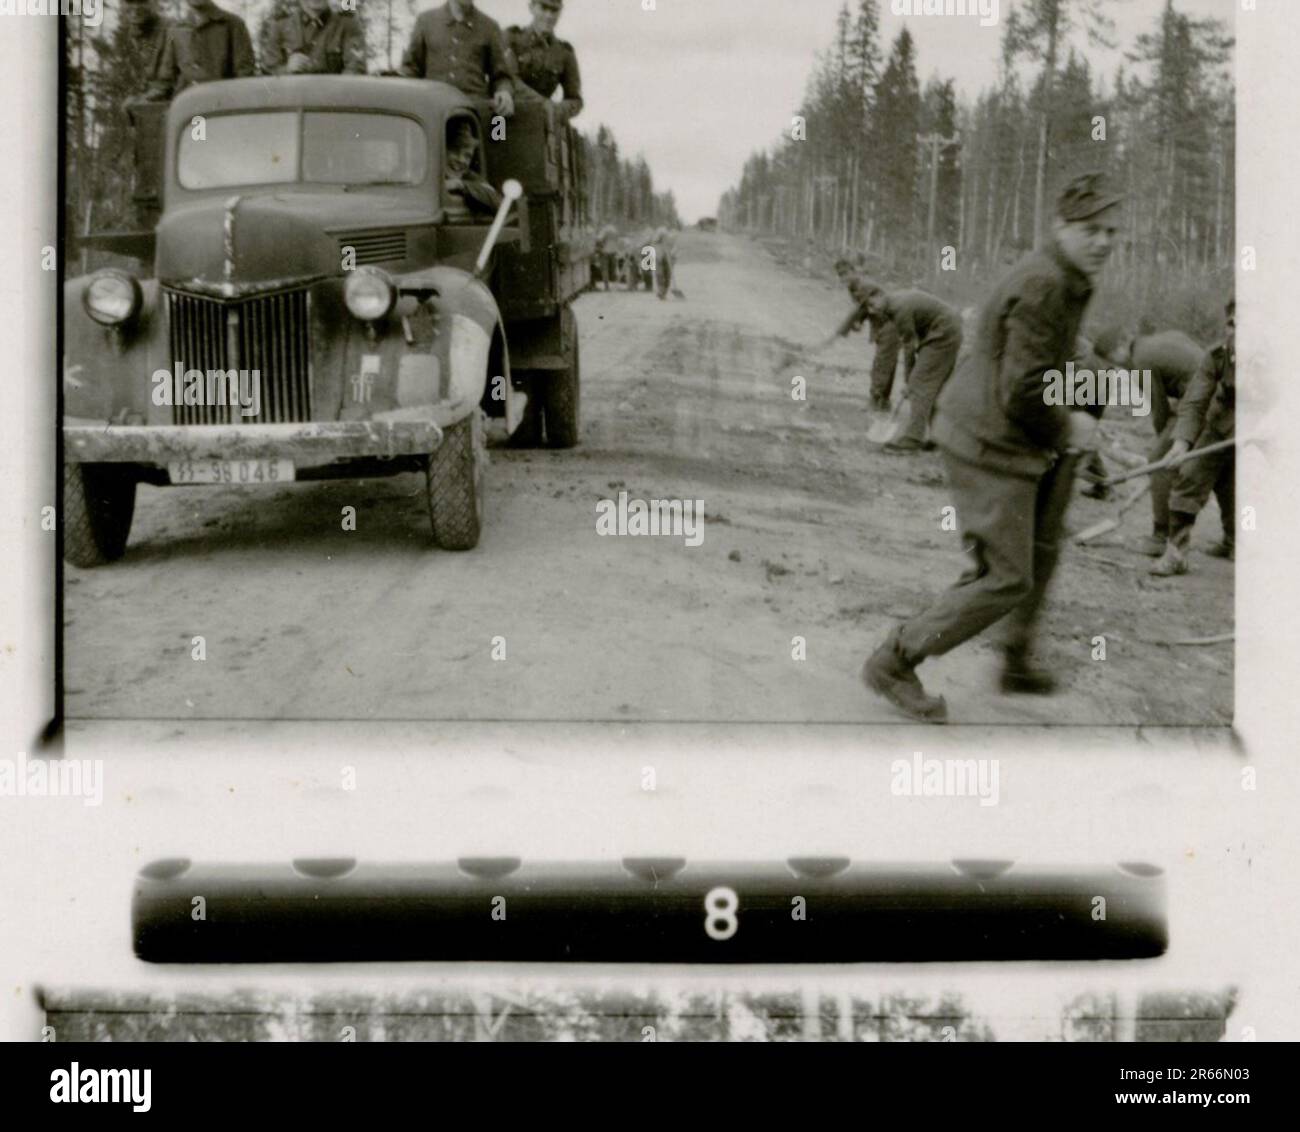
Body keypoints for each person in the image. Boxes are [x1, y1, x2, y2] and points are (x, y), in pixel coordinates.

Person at [862, 172, 1123, 722]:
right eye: (1089, 229)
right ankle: (895, 659)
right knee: (1005, 575)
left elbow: (1046, 364)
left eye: (1110, 231)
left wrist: (1085, 410)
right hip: (988, 437)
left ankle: (1016, 659)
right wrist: (1068, 427)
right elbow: (1024, 388)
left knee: (1043, 543)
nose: (1102, 241)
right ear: (1061, 227)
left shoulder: (1071, 275)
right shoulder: (1047, 283)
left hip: (1008, 428)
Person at [1091, 326, 1207, 554]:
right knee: (1221, 467)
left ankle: (1160, 536)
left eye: (1113, 361)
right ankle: (1234, 541)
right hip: (1217, 390)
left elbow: (1158, 408)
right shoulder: (1157, 340)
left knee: (1161, 462)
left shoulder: (1141, 361)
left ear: (1120, 348)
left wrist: (1163, 443)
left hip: (1200, 399)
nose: (1116, 367)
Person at [1149, 298, 1236, 576]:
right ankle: (1176, 553)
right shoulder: (1216, 357)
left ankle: (1239, 543)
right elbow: (1195, 402)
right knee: (1190, 475)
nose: (1237, 331)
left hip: (1265, 430)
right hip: (1221, 422)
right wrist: (1181, 442)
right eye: (1233, 323)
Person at [863, 287, 963, 451]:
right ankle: (940, 436)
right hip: (948, 331)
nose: (871, 310)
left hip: (943, 335)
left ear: (880, 295)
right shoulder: (892, 305)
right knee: (935, 389)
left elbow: (909, 346)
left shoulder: (898, 308)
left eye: (872, 304)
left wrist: (909, 380)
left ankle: (913, 438)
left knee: (920, 386)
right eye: (868, 307)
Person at [400, 0, 517, 118]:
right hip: (432, 112)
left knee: (496, 132)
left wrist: (504, 92)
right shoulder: (426, 21)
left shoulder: (489, 27)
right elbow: (411, 68)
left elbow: (501, 76)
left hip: (473, 114)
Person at [147, 0, 256, 100]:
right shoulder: (176, 28)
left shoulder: (232, 24)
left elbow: (244, 75)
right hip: (186, 106)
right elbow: (165, 79)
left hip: (222, 104)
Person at [830, 267, 902, 412]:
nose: (843, 278)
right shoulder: (853, 287)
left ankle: (875, 401)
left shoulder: (865, 285)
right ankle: (883, 402)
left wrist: (842, 330)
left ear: (853, 271)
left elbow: (858, 309)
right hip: (882, 326)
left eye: (845, 273)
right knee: (887, 364)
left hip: (891, 324)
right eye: (840, 275)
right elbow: (863, 310)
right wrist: (859, 322)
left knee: (881, 364)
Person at [506, 0, 583, 120]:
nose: (549, 16)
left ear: (560, 12)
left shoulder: (564, 52)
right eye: (543, 8)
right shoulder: (511, 38)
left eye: (554, 10)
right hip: (505, 117)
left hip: (541, 123)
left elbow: (575, 99)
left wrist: (557, 110)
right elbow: (509, 79)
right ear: (531, 7)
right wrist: (543, 103)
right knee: (496, 136)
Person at [260, 0, 367, 75]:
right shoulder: (281, 25)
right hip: (292, 101)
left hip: (332, 102)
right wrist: (286, 69)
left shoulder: (347, 24)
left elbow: (355, 69)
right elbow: (268, 73)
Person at [444, 120, 502, 215]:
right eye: (455, 151)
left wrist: (460, 185)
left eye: (467, 156)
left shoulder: (467, 175)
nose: (461, 160)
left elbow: (495, 199)